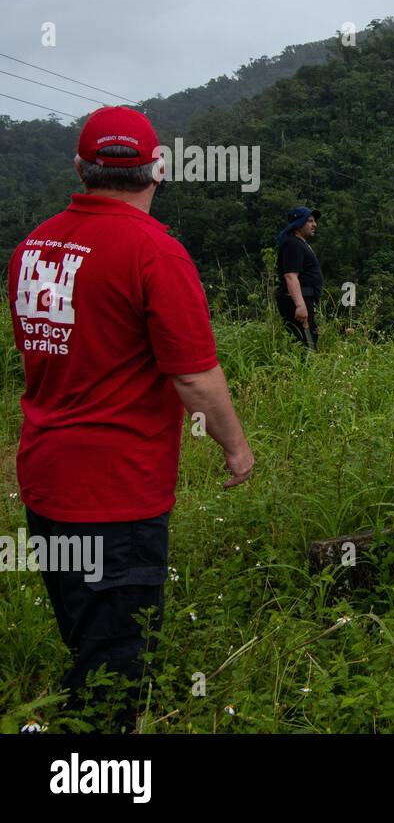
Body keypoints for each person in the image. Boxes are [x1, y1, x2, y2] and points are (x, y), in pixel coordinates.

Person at [8, 106, 254, 730]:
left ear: (80, 169)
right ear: (158, 170)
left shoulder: (33, 246)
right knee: (116, 673)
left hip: (47, 482)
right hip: (117, 495)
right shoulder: (155, 252)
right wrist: (235, 448)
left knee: (87, 642)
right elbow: (194, 376)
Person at [275, 206, 322, 349]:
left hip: (305, 297)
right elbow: (290, 276)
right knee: (305, 342)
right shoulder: (292, 244)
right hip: (297, 299)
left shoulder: (299, 243)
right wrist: (300, 305)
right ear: (299, 223)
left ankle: (306, 368)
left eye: (314, 221)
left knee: (309, 338)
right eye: (310, 221)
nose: (314, 224)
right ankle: (304, 370)